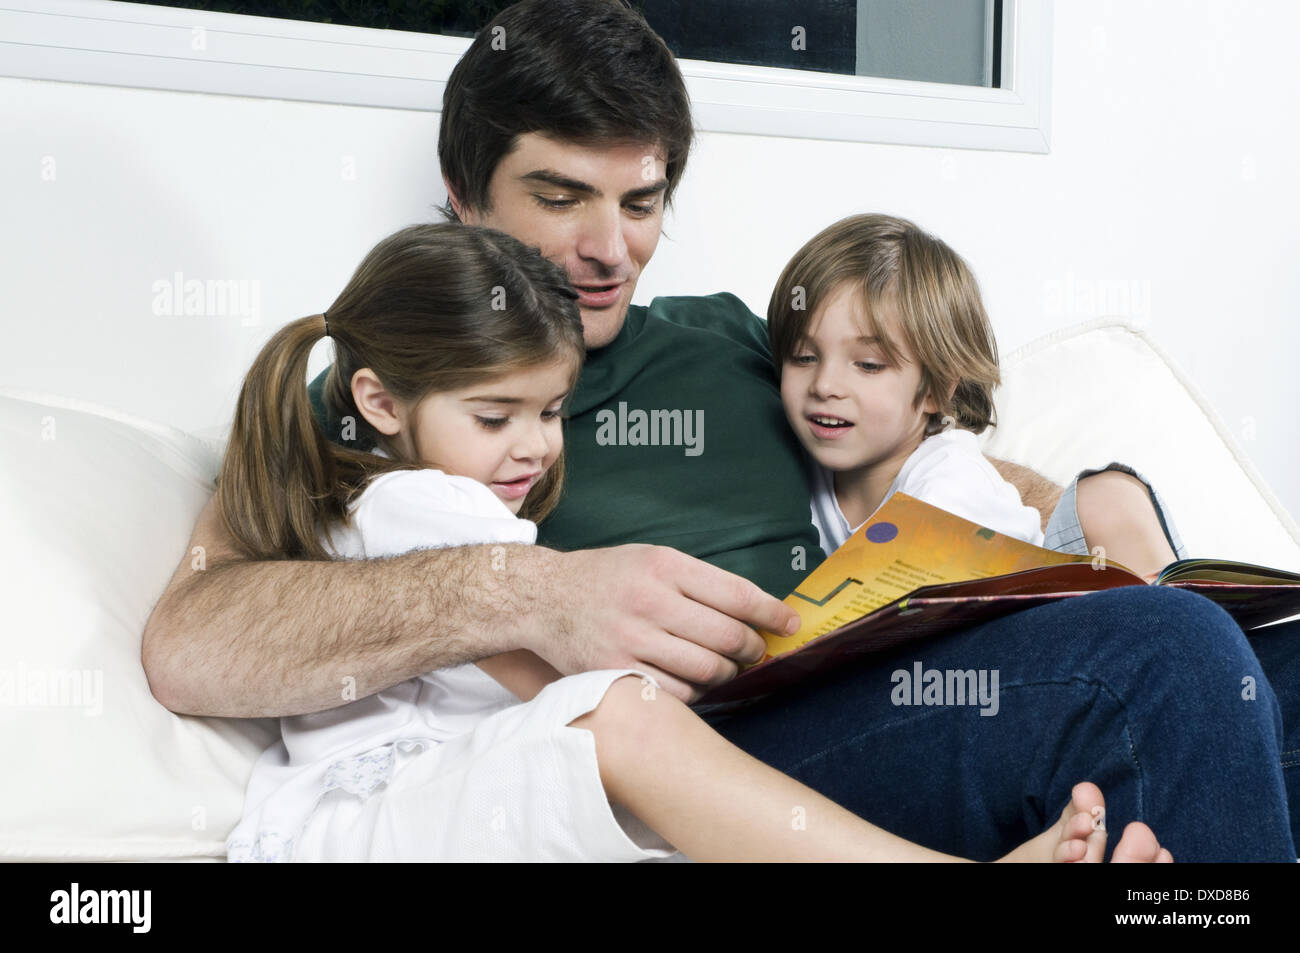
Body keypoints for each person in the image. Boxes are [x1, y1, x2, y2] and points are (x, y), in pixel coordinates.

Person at [142, 0, 1300, 861]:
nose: (608, 248)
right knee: (1167, 659)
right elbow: (193, 637)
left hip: (889, 697)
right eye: (561, 197)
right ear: (462, 186)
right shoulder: (401, 386)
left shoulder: (732, 340)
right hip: (721, 762)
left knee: (1265, 659)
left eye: (639, 204)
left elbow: (932, 455)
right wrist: (525, 593)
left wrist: (1090, 496)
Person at [220, 221, 1160, 862]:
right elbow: (557, 675)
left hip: (467, 789)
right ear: (379, 402)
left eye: (550, 411)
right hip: (384, 815)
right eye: (495, 416)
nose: (537, 444)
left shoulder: (441, 492)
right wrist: (751, 666)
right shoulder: (417, 508)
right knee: (622, 711)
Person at [769, 212, 1182, 582]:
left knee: (1111, 502)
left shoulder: (951, 481)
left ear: (935, 389)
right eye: (804, 356)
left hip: (1050, 608)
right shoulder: (793, 471)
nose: (824, 385)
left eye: (869, 365)